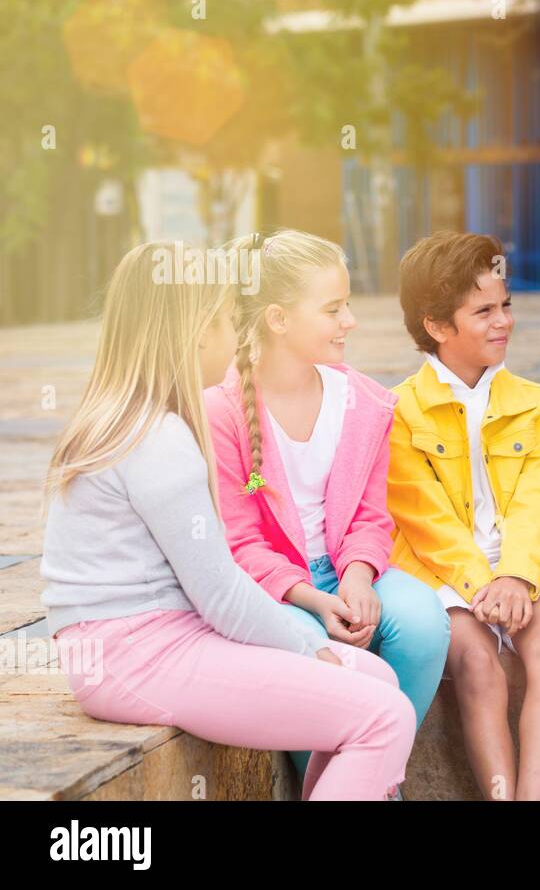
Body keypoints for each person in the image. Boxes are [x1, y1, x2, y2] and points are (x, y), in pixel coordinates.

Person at [41, 241, 415, 801]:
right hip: (134, 653)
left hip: (149, 640)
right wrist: (311, 648)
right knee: (384, 716)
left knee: (378, 682)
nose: (233, 337)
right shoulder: (156, 439)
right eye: (222, 321)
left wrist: (323, 652)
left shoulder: (133, 419)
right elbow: (220, 593)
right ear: (194, 331)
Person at [205, 229, 451, 787]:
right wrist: (316, 600)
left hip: (350, 569)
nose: (350, 321)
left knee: (421, 624)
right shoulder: (222, 412)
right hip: (275, 587)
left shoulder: (362, 402)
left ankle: (372, 779)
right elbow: (240, 544)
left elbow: (370, 516)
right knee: (308, 651)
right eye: (334, 309)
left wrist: (360, 578)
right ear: (278, 319)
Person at [389, 231, 540, 800]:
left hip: (522, 568)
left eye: (506, 305)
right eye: (483, 311)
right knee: (475, 662)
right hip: (445, 575)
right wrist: (485, 586)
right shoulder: (400, 411)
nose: (502, 320)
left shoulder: (533, 402)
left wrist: (519, 576)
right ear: (436, 325)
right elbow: (423, 517)